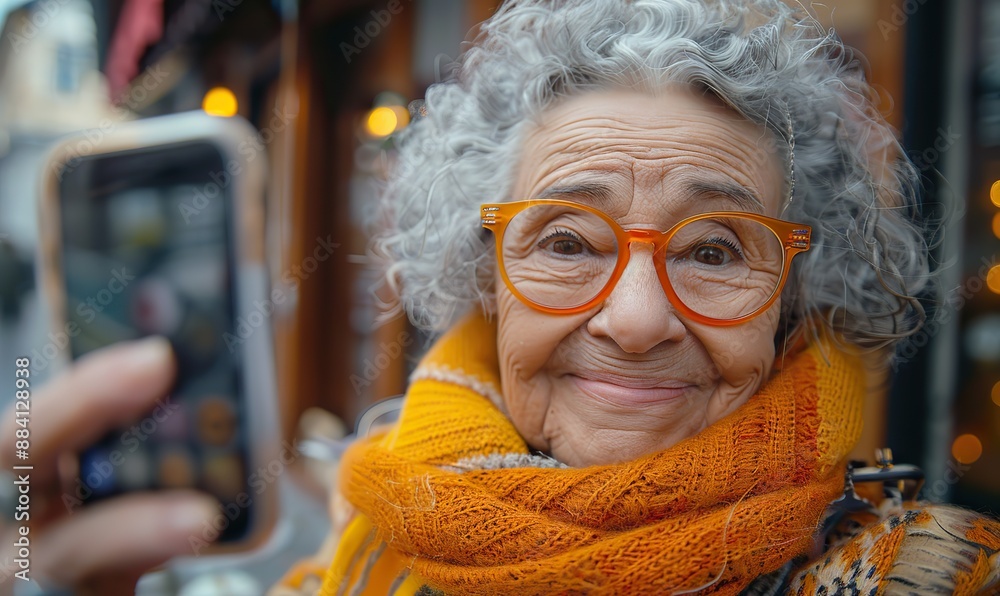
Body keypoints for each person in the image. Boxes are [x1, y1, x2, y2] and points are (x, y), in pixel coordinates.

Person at [3, 0, 998, 594]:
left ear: (794, 290)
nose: (639, 319)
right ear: (485, 277)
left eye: (713, 249)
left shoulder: (925, 572)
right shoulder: (366, 548)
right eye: (566, 241)